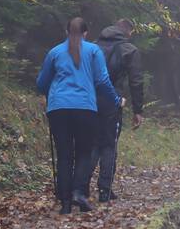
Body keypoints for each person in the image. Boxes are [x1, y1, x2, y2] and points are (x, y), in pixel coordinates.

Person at [37, 17, 121, 214]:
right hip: (85, 108)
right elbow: (102, 80)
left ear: (67, 32)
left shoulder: (55, 52)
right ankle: (78, 192)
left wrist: (54, 91)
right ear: (86, 33)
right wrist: (116, 101)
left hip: (58, 109)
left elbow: (41, 83)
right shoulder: (93, 51)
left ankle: (65, 203)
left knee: (64, 155)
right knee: (84, 152)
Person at [94, 18, 145, 202]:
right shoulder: (129, 50)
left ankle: (81, 188)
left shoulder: (92, 46)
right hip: (112, 100)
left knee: (91, 143)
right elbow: (136, 81)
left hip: (88, 99)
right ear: (128, 31)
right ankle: (104, 190)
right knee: (109, 144)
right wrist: (138, 110)